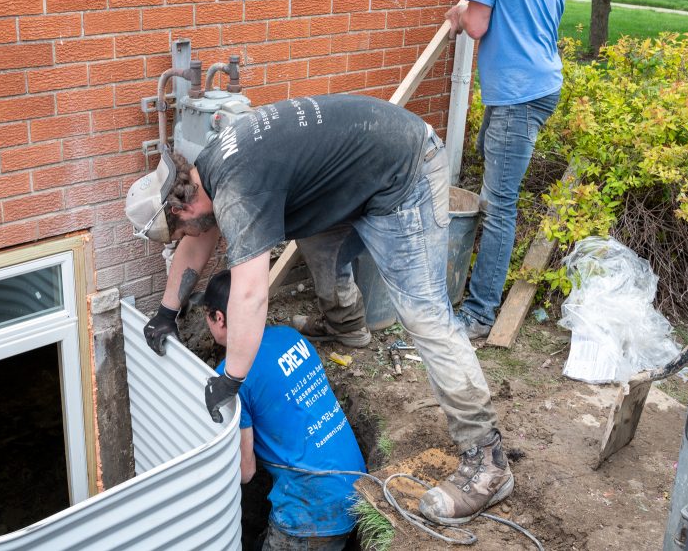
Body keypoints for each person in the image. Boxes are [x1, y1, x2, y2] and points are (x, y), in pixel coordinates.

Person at [125, 93, 513, 524]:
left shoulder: (237, 190)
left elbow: (251, 294)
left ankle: (488, 460)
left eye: (176, 231)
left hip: (404, 172)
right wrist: (166, 312)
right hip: (359, 170)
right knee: (319, 247)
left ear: (182, 204)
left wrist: (233, 378)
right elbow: (199, 237)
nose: (182, 239)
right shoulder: (209, 169)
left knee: (425, 316)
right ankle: (347, 328)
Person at [444, 0, 569, 339]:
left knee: (499, 205)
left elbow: (477, 25)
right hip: (538, 84)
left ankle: (478, 314)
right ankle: (478, 289)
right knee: (490, 167)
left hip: (518, 93)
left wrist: (459, 13)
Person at [202, 269, 364, 549]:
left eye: (206, 316)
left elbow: (245, 472)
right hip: (356, 485)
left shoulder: (230, 379)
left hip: (312, 510)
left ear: (219, 317)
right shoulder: (290, 337)